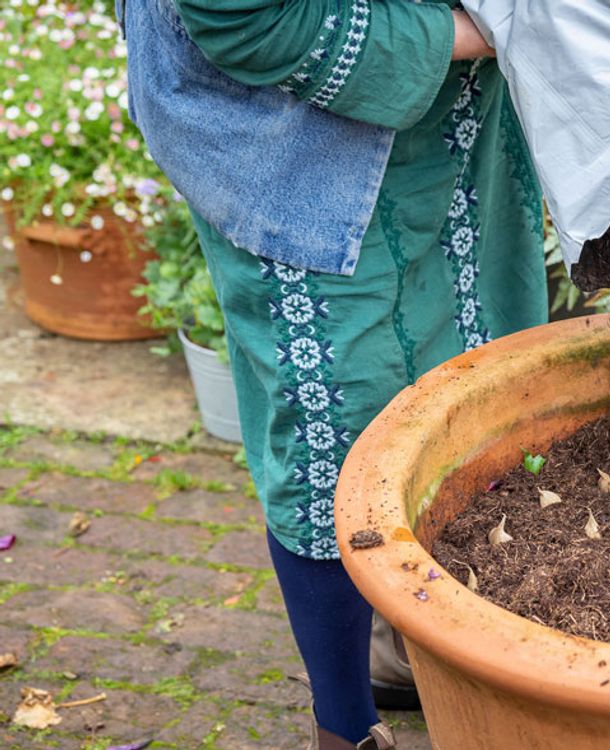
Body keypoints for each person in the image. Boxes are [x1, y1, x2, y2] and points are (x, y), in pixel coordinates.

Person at [121, 1, 546, 747]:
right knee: (335, 444)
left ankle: (418, 641)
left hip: (453, 123)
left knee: (478, 383)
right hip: (289, 141)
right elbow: (255, 24)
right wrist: (498, 30)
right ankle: (345, 725)